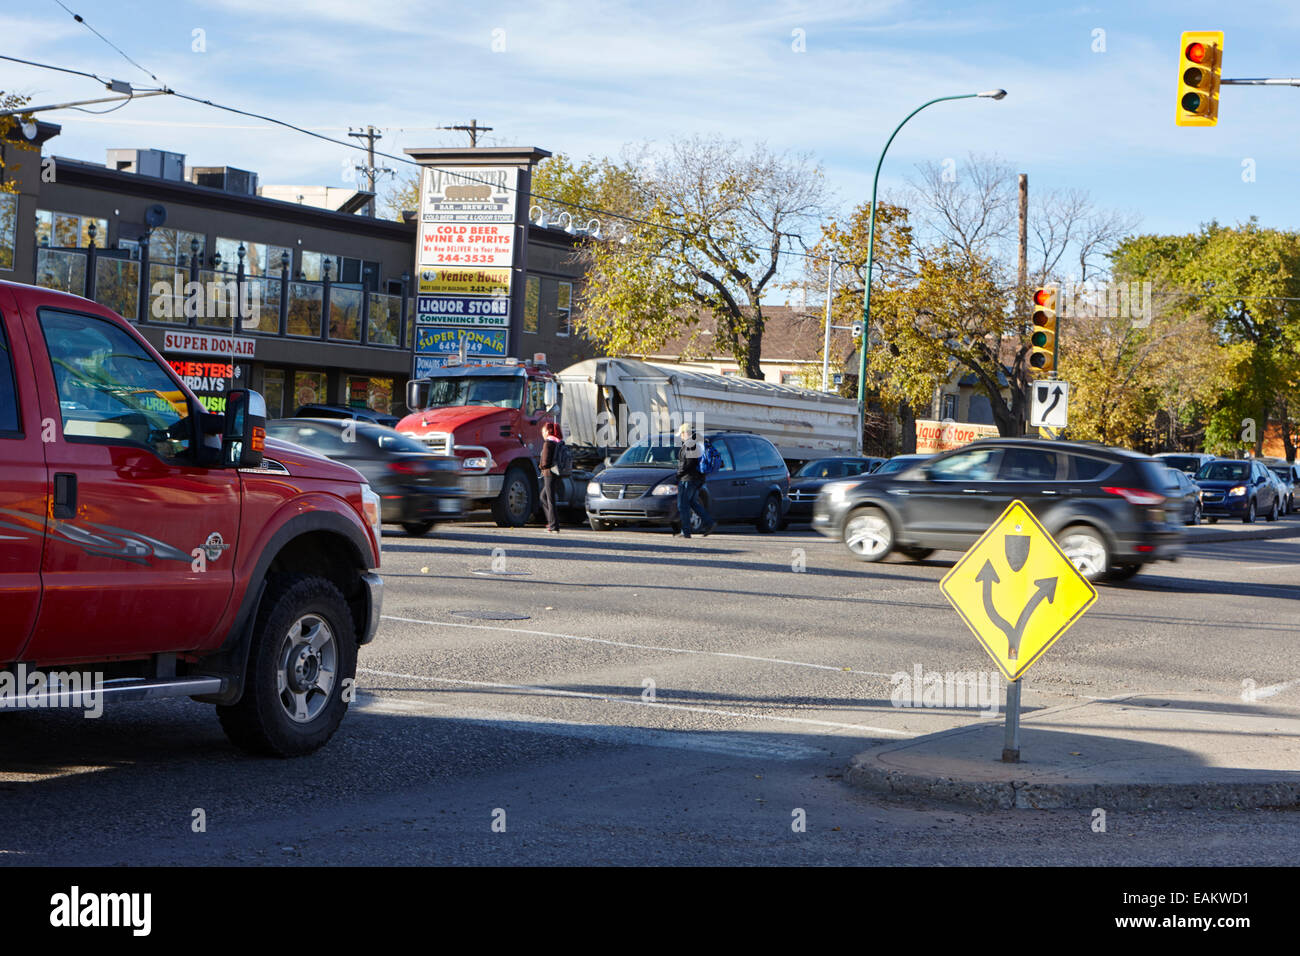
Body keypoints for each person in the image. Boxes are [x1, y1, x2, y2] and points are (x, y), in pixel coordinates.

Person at [676, 423, 716, 538]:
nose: (681, 437)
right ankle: (709, 523)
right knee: (693, 502)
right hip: (698, 479)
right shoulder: (698, 443)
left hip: (688, 479)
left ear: (686, 433)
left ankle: (686, 531)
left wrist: (678, 474)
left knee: (683, 505)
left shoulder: (690, 444)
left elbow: (688, 463)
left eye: (681, 434)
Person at [539, 421, 563, 533]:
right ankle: (552, 521)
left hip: (548, 474)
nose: (542, 433)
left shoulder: (548, 443)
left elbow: (545, 462)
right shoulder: (558, 442)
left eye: (543, 431)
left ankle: (554, 525)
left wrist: (540, 466)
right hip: (556, 473)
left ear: (548, 431)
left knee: (550, 499)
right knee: (544, 497)